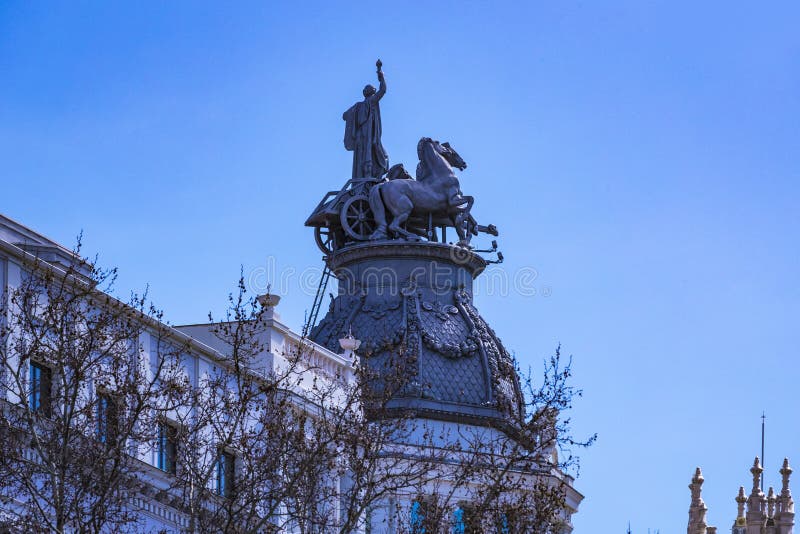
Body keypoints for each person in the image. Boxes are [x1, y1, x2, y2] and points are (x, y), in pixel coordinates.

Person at [343, 68, 388, 179]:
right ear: (372, 92)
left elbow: (344, 115)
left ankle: (363, 177)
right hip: (368, 135)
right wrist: (381, 74)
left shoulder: (357, 106)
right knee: (378, 156)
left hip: (360, 136)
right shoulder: (371, 101)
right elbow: (383, 90)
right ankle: (368, 176)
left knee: (363, 157)